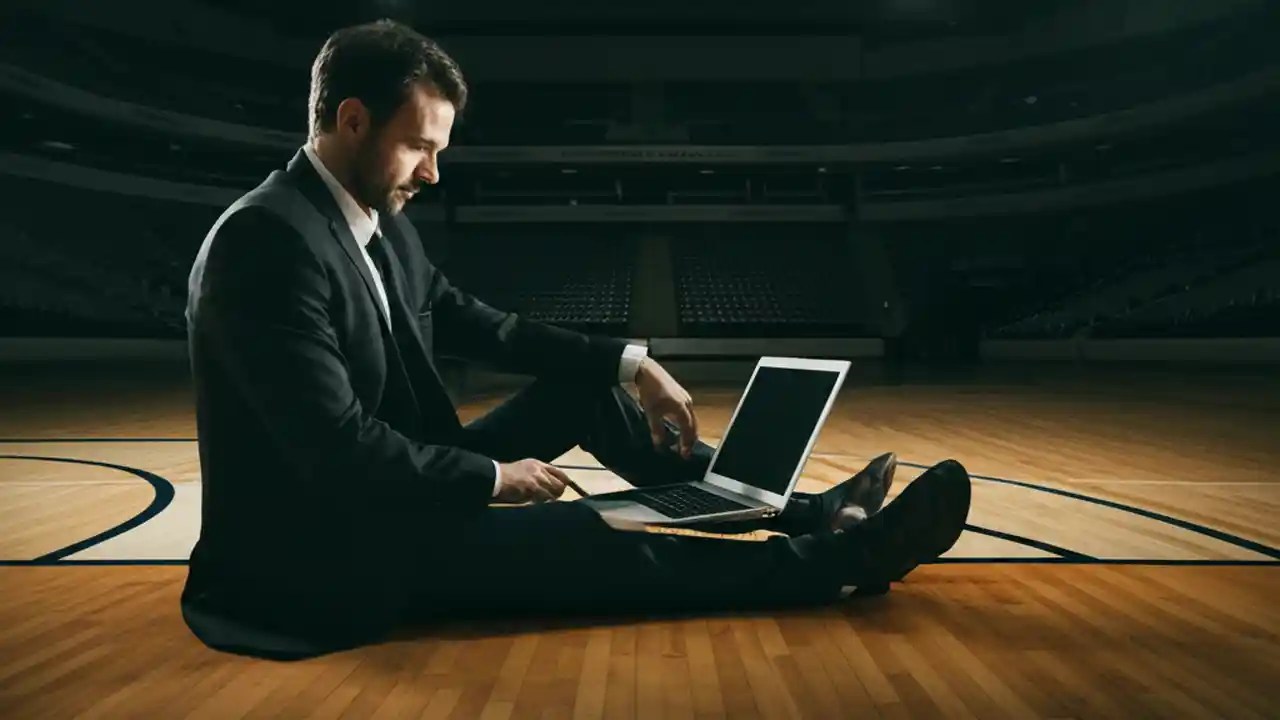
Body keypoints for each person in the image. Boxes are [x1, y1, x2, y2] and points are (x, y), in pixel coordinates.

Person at [180, 18, 973, 661]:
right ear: (351, 120)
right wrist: (493, 476)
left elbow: (484, 325)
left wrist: (634, 365)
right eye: (420, 146)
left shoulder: (374, 222)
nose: (432, 173)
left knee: (585, 393)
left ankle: (804, 512)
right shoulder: (268, 242)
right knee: (598, 536)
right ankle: (842, 563)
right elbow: (336, 452)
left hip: (398, 496)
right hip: (329, 554)